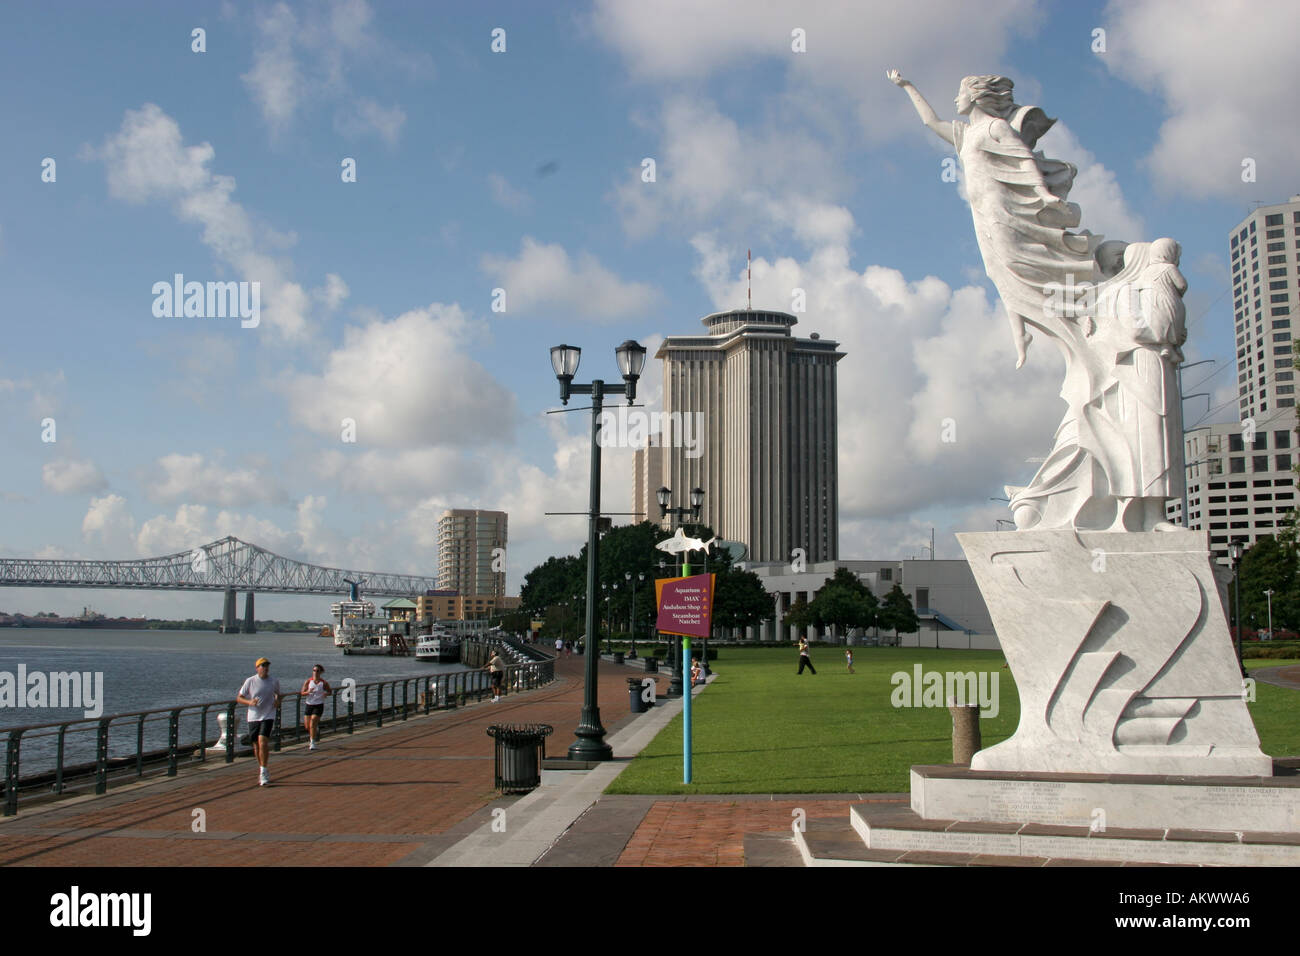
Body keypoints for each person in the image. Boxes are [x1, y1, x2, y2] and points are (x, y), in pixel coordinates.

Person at [237, 657, 282, 786]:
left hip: (268, 715)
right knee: (256, 745)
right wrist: (249, 702)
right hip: (253, 716)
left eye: (267, 665)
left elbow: (279, 695)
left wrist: (277, 701)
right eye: (262, 665)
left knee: (263, 741)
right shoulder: (250, 681)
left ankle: (264, 770)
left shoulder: (274, 681)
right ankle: (261, 767)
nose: (265, 668)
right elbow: (239, 698)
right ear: (257, 668)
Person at [299, 664, 331, 751]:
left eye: (317, 671)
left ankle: (312, 742)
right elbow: (302, 693)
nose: (315, 672)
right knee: (307, 726)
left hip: (319, 705)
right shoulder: (308, 681)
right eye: (314, 670)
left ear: (321, 672)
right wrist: (308, 692)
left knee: (313, 722)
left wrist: (325, 694)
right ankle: (315, 731)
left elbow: (329, 691)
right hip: (309, 704)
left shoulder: (323, 683)